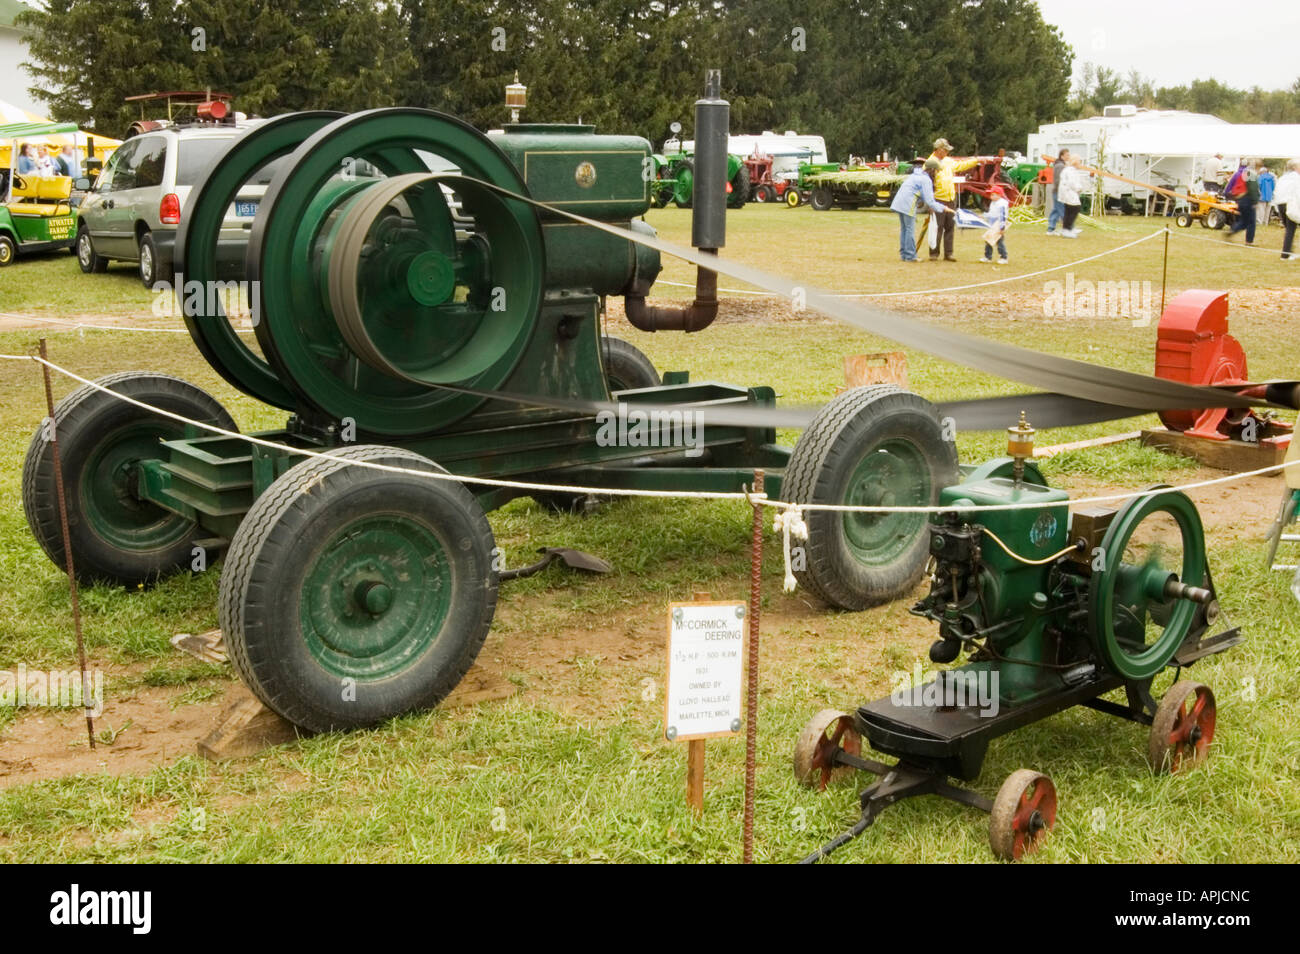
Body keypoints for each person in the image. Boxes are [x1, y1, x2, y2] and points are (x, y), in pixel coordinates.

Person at [926, 137, 979, 262]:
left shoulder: (948, 161)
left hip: (950, 198)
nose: (947, 152)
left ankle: (948, 253)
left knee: (950, 227)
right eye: (945, 150)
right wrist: (930, 202)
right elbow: (928, 183)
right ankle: (934, 253)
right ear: (939, 150)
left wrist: (975, 160)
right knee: (937, 227)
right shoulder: (930, 163)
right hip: (937, 199)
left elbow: (960, 165)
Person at [890, 157, 947, 262]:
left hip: (899, 203)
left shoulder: (915, 175)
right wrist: (943, 208)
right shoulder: (925, 179)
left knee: (905, 229)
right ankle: (911, 256)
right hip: (908, 204)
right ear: (932, 170)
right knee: (909, 230)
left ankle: (904, 255)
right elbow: (930, 201)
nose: (937, 174)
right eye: (937, 171)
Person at [1225, 159, 1258, 244]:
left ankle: (1232, 231)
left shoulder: (1243, 173)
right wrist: (1255, 201)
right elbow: (1253, 188)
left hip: (1240, 199)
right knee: (1251, 222)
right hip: (1248, 199)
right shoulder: (1251, 173)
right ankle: (1249, 241)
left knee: (1244, 221)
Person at [1274, 158, 1300, 261]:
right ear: (1295, 167)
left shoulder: (1282, 178)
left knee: (1289, 230)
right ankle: (1285, 255)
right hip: (1291, 204)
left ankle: (1288, 252)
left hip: (1281, 204)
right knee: (1290, 229)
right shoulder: (1296, 178)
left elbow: (1276, 192)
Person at [1057, 156, 1088, 237]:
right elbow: (1072, 183)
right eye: (1079, 162)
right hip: (1069, 192)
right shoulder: (1070, 171)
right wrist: (1079, 188)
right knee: (1074, 208)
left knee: (1069, 210)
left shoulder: (1070, 170)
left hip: (1068, 192)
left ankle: (1067, 228)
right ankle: (1067, 229)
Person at [980, 185, 1010, 264]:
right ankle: (987, 256)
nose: (991, 196)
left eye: (993, 194)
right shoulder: (993, 203)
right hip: (991, 224)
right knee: (988, 240)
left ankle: (1004, 257)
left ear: (999, 195)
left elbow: (1002, 216)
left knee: (999, 241)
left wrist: (1002, 227)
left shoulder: (1002, 204)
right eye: (991, 194)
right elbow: (991, 213)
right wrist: (983, 216)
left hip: (998, 224)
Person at [1046, 148, 1070, 233]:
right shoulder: (1060, 166)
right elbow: (1059, 180)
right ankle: (1068, 228)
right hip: (1059, 191)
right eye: (1067, 155)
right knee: (1062, 210)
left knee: (1056, 210)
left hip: (1057, 191)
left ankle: (1051, 228)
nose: (1069, 157)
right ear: (1062, 156)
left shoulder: (1059, 165)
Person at [1256, 160, 1275, 226]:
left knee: (1261, 210)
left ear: (1261, 172)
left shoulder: (1260, 177)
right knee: (1267, 211)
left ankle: (1260, 222)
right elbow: (1273, 187)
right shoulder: (1272, 178)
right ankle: (1265, 223)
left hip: (1262, 196)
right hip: (1269, 196)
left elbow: (1258, 187)